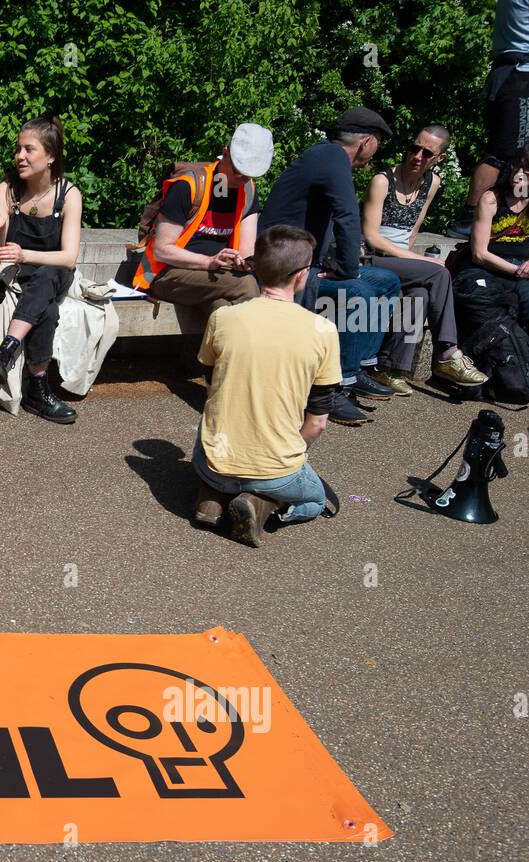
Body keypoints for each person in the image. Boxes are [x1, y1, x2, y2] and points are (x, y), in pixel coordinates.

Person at [192, 226, 341, 548]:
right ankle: (262, 505)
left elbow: (210, 381)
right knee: (316, 501)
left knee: (209, 422)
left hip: (214, 462)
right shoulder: (323, 331)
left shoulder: (224, 318)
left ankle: (213, 495)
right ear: (302, 275)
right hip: (274, 471)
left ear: (257, 266)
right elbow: (317, 424)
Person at [259, 108, 403, 426]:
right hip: (285, 268)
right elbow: (348, 216)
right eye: (378, 142)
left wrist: (338, 265)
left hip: (309, 263)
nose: (376, 150)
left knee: (387, 282)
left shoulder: (326, 157)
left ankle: (361, 368)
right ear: (366, 142)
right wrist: (347, 269)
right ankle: (335, 386)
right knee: (357, 290)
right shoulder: (332, 157)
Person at [361, 125, 490, 392]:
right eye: (414, 148)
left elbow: (413, 231)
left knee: (420, 293)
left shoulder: (432, 183)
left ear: (439, 158)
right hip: (372, 258)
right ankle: (447, 352)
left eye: (427, 153)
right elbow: (371, 237)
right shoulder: (383, 181)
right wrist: (417, 261)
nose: (417, 156)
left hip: (402, 261)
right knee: (439, 273)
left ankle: (387, 368)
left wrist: (413, 263)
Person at [0, 115, 83, 422]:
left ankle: (8, 349)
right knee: (46, 310)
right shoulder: (7, 190)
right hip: (18, 279)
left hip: (54, 273)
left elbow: (68, 258)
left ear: (50, 156)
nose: (19, 156)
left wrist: (26, 255)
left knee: (48, 275)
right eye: (18, 149)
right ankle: (38, 388)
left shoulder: (69, 195)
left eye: (29, 149)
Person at [453, 140, 529, 411]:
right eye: (518, 164)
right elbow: (480, 252)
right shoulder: (491, 198)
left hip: (520, 266)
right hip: (485, 266)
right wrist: (521, 270)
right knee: (486, 307)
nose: (520, 172)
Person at [132, 123, 274, 332]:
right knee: (246, 286)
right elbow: (163, 250)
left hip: (217, 278)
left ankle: (198, 365)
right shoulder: (188, 186)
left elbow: (246, 249)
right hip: (167, 274)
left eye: (249, 175)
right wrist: (208, 262)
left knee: (222, 311)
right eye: (238, 172)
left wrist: (247, 262)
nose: (242, 179)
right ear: (225, 154)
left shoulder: (248, 191)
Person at [451, 0, 529, 238]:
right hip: (523, 76)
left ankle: (486, 217)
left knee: (505, 151)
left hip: (513, 74)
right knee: (513, 153)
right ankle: (471, 218)